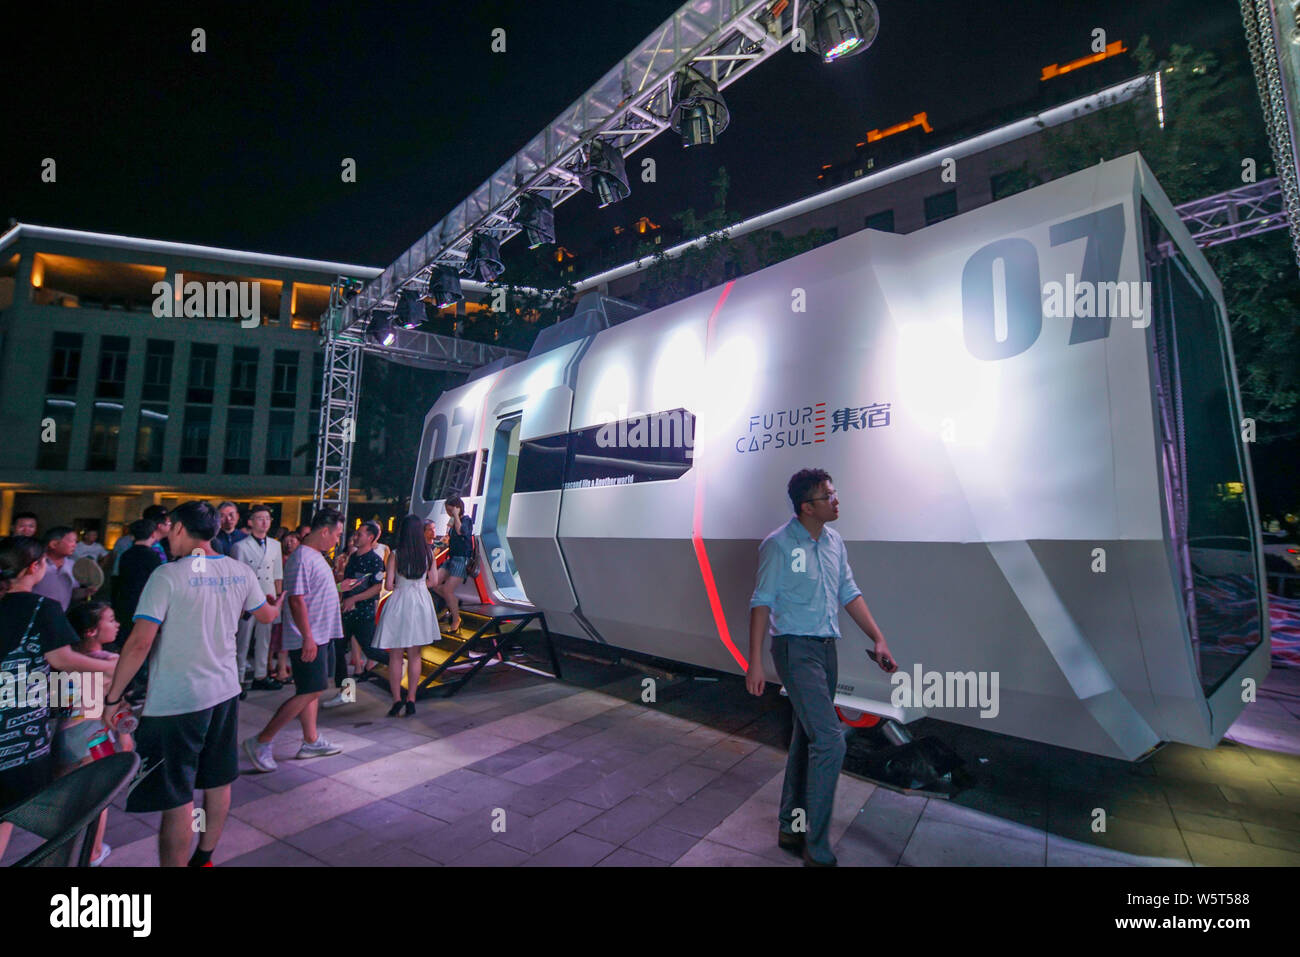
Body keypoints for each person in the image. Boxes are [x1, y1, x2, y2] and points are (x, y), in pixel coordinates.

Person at [102, 502, 283, 867]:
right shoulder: (240, 571)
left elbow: (139, 643)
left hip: (176, 702)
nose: (168, 536)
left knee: (177, 795)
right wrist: (278, 600)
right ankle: (205, 857)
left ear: (181, 529)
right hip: (224, 694)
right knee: (217, 780)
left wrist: (113, 698)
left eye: (170, 529)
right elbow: (267, 615)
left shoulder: (168, 575)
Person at [745, 469, 897, 867]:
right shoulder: (778, 546)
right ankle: (816, 846)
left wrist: (877, 638)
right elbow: (761, 601)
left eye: (834, 492)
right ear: (807, 507)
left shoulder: (834, 542)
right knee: (830, 741)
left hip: (826, 651)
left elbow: (849, 591)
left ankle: (790, 826)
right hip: (794, 652)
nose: (836, 500)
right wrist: (755, 662)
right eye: (828, 495)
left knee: (807, 738)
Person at [0, 537, 117, 862]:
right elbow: (63, 658)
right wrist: (112, 669)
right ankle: (91, 852)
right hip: (18, 737)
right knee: (7, 813)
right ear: (34, 567)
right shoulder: (41, 607)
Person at [242, 508, 345, 772]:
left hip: (317, 634)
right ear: (325, 531)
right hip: (307, 637)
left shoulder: (314, 556)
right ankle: (262, 740)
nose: (337, 540)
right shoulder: (302, 558)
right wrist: (308, 637)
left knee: (310, 690)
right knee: (311, 690)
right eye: (337, 534)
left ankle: (311, 740)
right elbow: (297, 600)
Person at [56, 601, 130, 867]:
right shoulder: (111, 662)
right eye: (110, 620)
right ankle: (94, 852)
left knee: (64, 802)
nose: (117, 624)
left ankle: (61, 851)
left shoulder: (59, 659)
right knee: (98, 799)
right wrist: (125, 734)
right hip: (94, 737)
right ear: (90, 631)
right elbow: (117, 704)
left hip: (61, 738)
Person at [373, 515, 437, 717]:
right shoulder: (428, 553)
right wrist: (419, 587)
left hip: (400, 601)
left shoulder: (395, 554)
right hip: (420, 601)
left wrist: (404, 586)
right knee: (415, 654)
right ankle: (411, 699)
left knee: (396, 655)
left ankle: (396, 700)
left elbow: (389, 585)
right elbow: (434, 581)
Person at [324, 521, 386, 707]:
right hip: (347, 612)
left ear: (370, 538)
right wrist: (344, 600)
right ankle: (346, 692)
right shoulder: (353, 558)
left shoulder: (375, 560)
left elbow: (376, 588)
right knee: (340, 649)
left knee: (370, 649)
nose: (355, 537)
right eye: (356, 533)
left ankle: (399, 663)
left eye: (360, 534)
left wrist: (355, 599)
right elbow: (349, 583)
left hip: (363, 613)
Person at [232, 504, 284, 693]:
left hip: (268, 598)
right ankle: (236, 679)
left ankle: (260, 675)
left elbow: (278, 574)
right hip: (248, 600)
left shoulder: (276, 545)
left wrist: (278, 599)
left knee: (264, 639)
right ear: (250, 522)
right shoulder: (240, 547)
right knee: (243, 640)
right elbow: (237, 578)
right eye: (260, 518)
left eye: (267, 519)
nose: (264, 522)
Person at [432, 496, 474, 634]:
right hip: (451, 558)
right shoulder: (452, 522)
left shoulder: (466, 520)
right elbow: (450, 537)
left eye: (451, 510)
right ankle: (453, 602)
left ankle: (456, 619)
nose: (449, 513)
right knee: (434, 582)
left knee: (448, 590)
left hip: (461, 560)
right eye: (448, 511)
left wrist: (456, 515)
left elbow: (461, 532)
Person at [32, 526, 91, 611]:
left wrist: (87, 592)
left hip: (60, 616)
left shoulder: (72, 565)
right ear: (54, 544)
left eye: (76, 541)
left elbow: (73, 593)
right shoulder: (36, 564)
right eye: (72, 541)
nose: (75, 545)